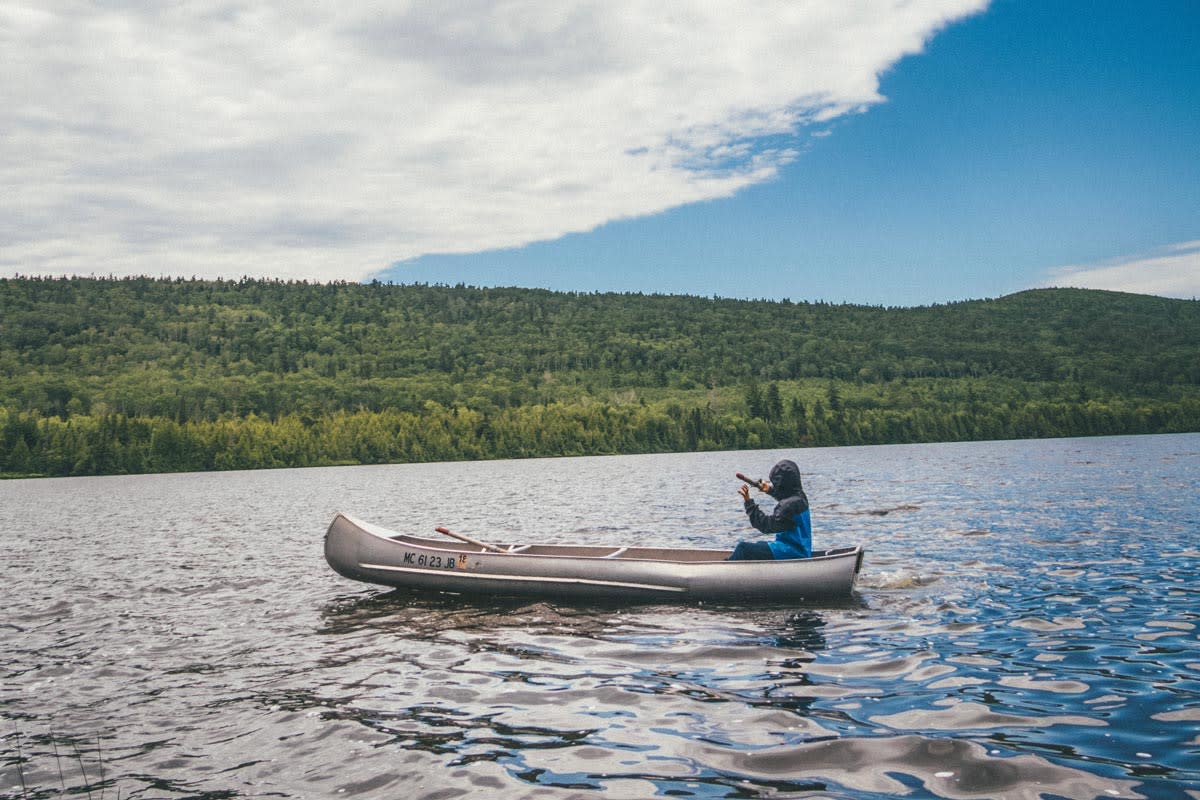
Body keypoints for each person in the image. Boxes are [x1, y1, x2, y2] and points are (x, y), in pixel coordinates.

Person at [729, 459, 812, 560]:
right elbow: (787, 496)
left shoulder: (787, 506)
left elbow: (765, 525)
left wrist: (748, 502)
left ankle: (724, 571)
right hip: (802, 549)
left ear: (781, 483)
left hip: (791, 552)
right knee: (760, 544)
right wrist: (769, 490)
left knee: (743, 548)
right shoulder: (801, 497)